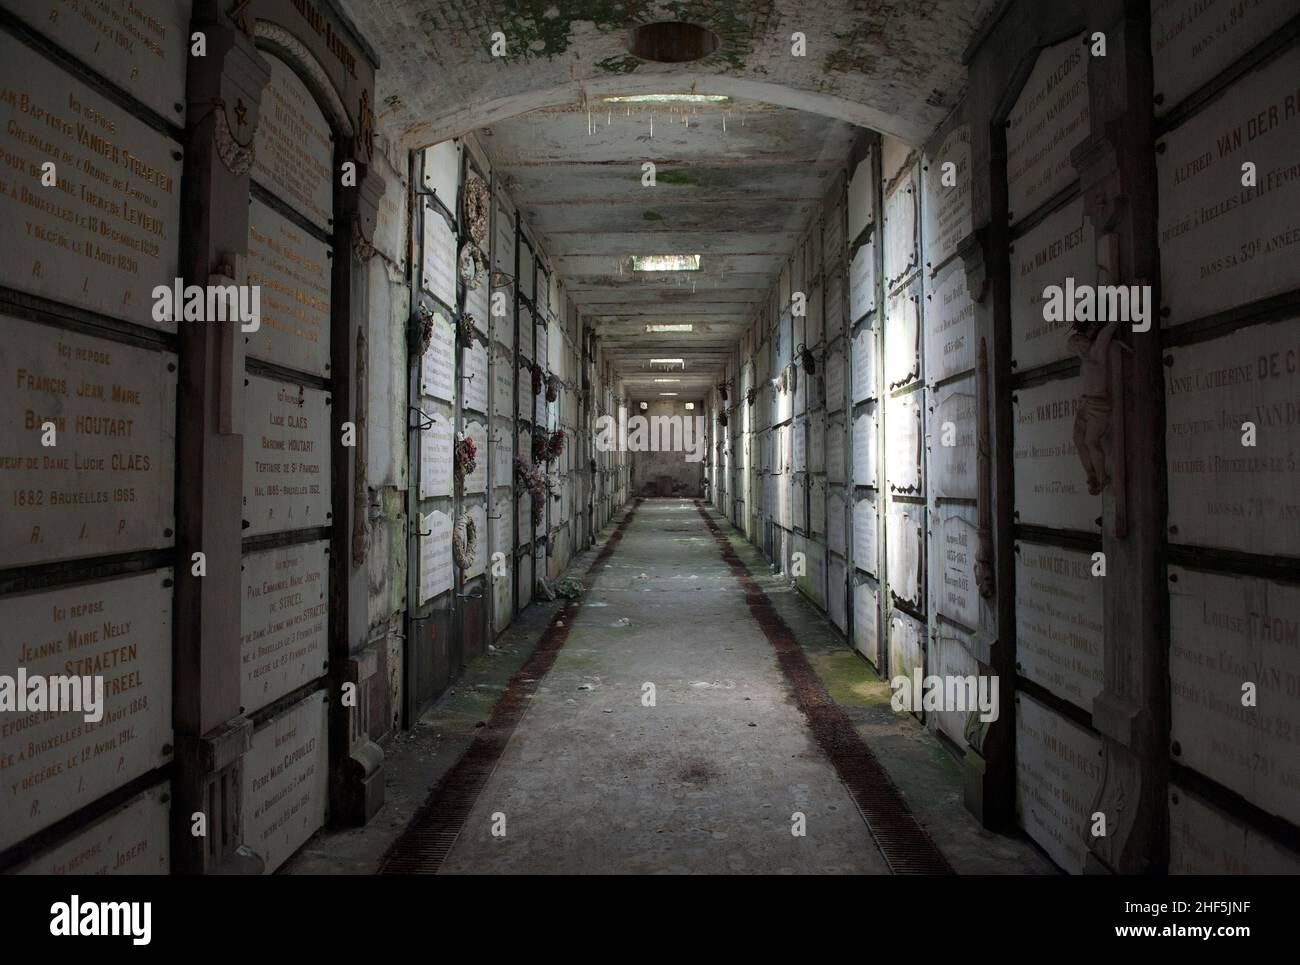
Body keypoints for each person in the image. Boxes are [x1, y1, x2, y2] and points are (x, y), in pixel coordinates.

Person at [1069, 318, 1120, 495]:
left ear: (1083, 343)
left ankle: (1101, 476)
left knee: (1091, 441)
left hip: (1098, 405)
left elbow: (1110, 328)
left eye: (1077, 348)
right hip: (1086, 404)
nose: (1078, 353)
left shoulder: (1097, 351)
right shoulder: (1084, 359)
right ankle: (1090, 473)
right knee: (1077, 438)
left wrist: (1122, 303)